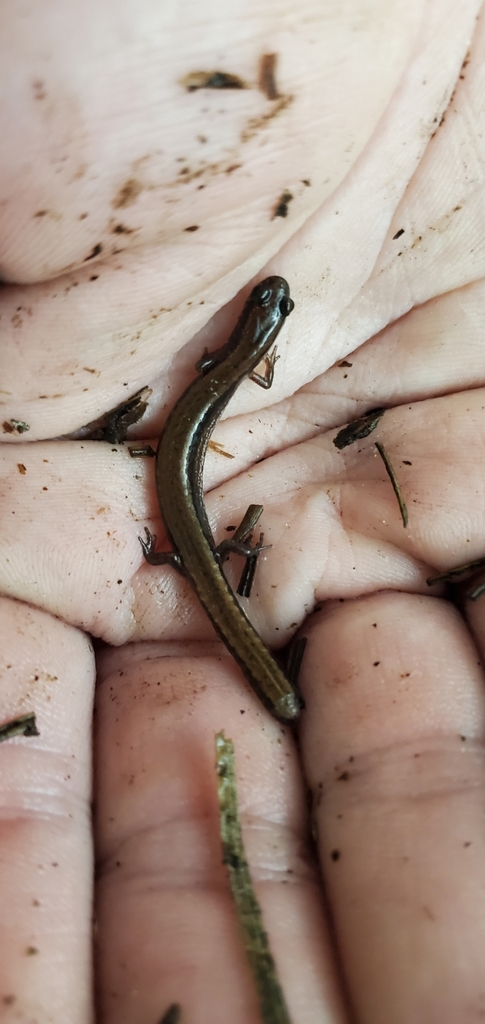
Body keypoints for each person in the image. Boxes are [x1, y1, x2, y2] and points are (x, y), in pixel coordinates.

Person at [1, 1, 484, 1021]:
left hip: (187, 505)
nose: (268, 313)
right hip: (179, 508)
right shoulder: (241, 365)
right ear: (260, 340)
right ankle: (262, 674)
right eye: (269, 316)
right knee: (204, 563)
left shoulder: (232, 365)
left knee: (207, 563)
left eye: (268, 316)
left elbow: (225, 374)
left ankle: (266, 678)